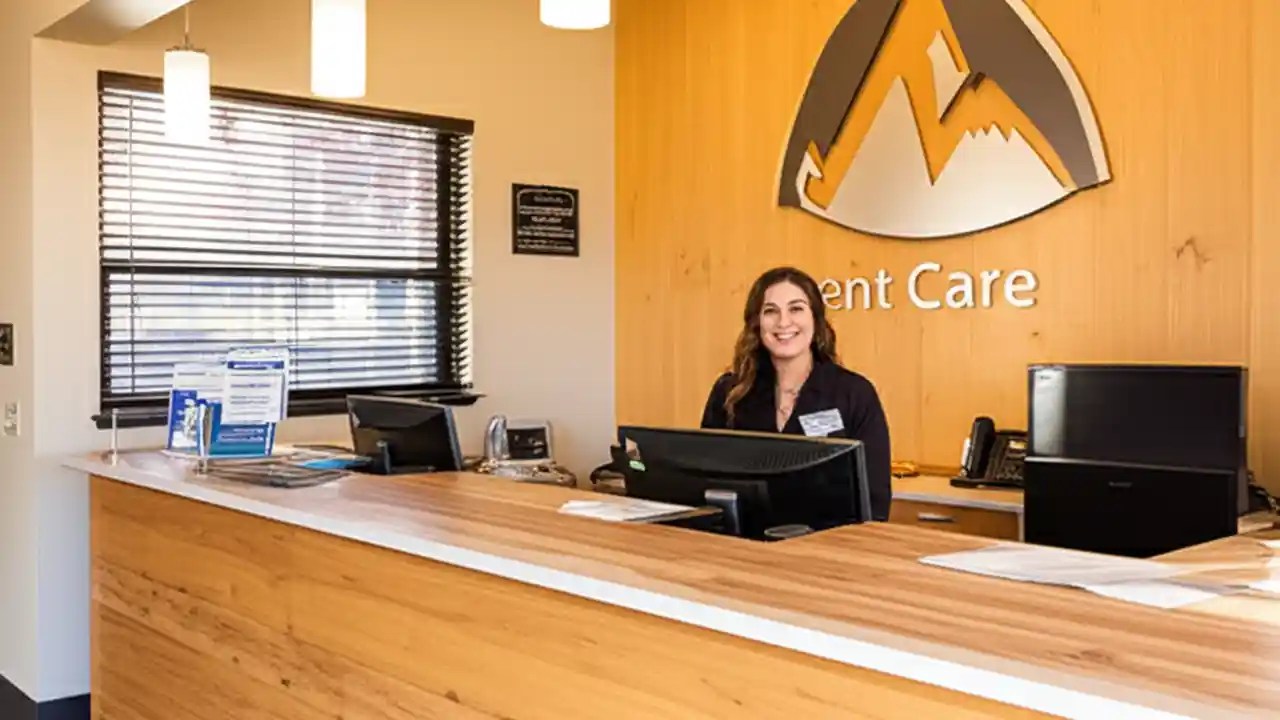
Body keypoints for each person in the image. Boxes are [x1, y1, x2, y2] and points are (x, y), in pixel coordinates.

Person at [700, 266, 893, 521]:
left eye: (796, 308)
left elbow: (875, 502)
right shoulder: (729, 393)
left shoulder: (854, 393)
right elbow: (703, 483)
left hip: (830, 551)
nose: (783, 322)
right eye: (771, 311)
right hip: (744, 547)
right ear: (757, 323)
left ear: (816, 319)